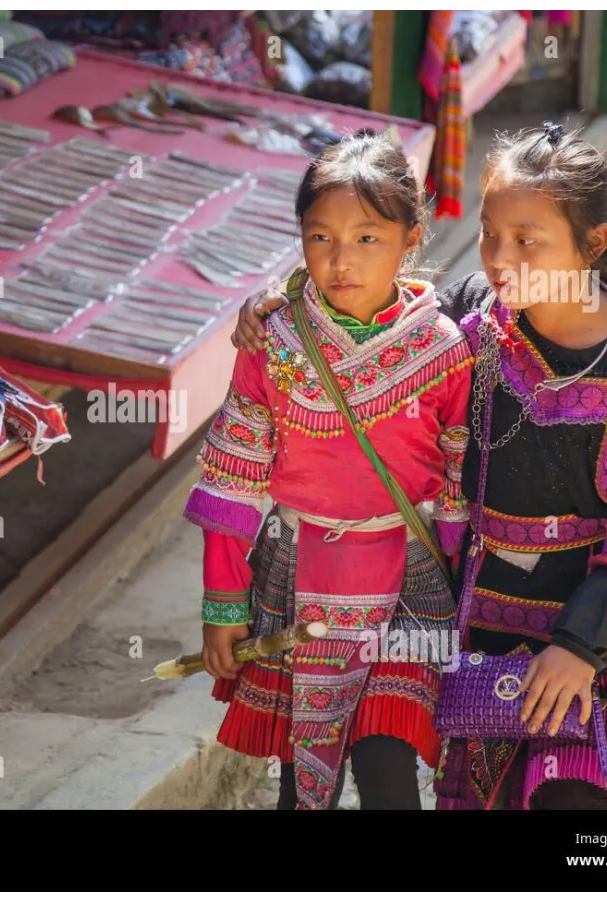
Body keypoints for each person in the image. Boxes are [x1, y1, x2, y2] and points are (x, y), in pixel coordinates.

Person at [230, 123, 607, 810]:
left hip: (597, 645)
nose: (498, 257)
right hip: (486, 629)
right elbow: (364, 307)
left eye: (528, 239)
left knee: (568, 804)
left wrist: (578, 649)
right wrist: (275, 310)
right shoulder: (466, 325)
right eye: (490, 233)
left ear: (594, 243)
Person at [184, 128, 474, 810]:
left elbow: (460, 487)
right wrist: (222, 606)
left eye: (367, 237)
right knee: (300, 782)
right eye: (320, 237)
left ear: (411, 238)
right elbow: (233, 478)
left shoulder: (444, 349)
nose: (341, 259)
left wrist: (470, 596)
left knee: (389, 777)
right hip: (295, 576)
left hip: (408, 581)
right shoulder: (274, 340)